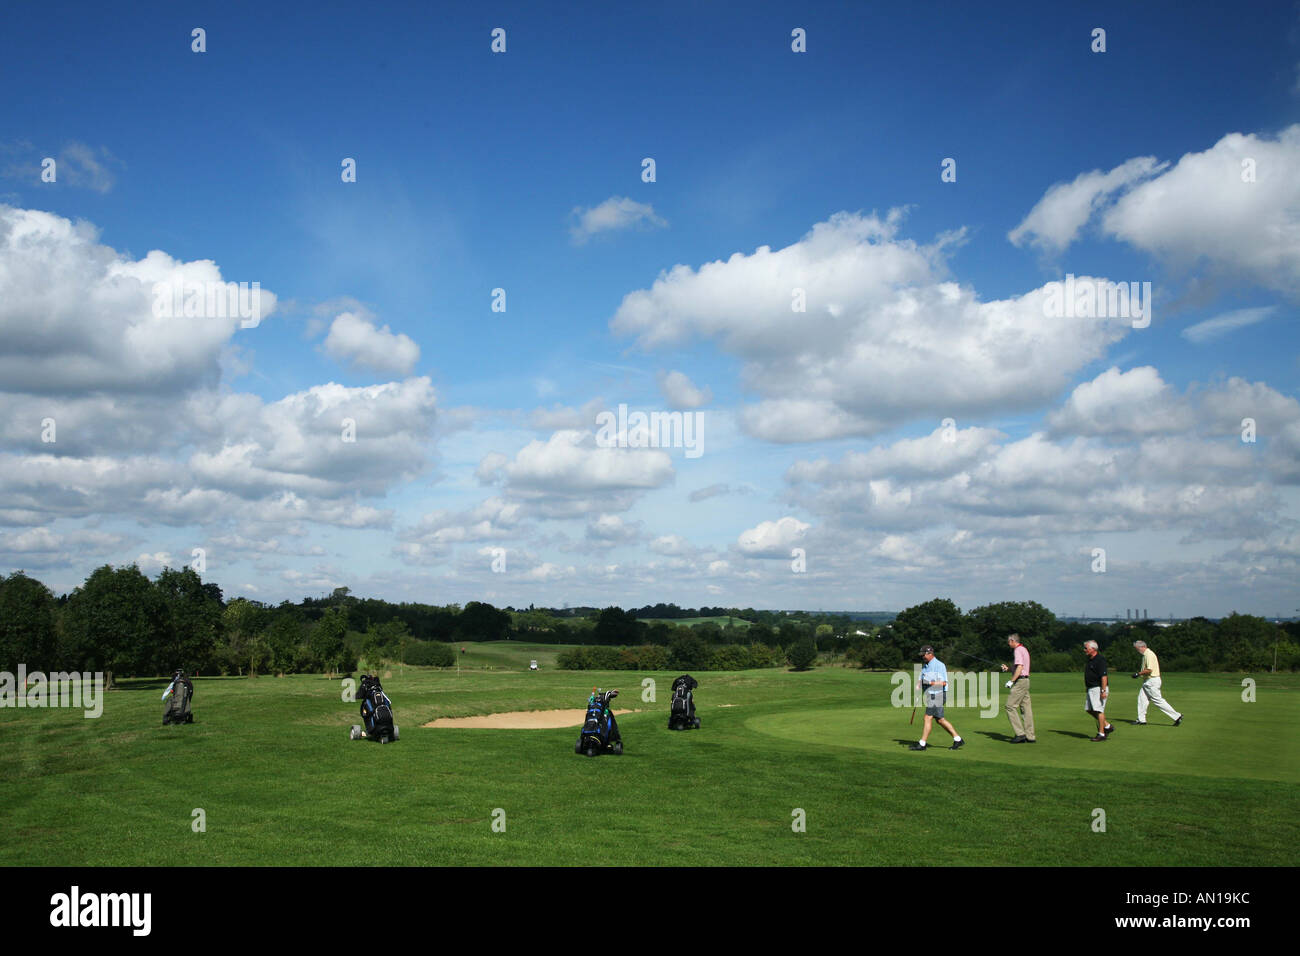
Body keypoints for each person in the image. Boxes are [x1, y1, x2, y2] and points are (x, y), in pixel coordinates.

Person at [910, 645, 964, 751]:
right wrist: (918, 684)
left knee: (927, 717)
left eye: (924, 655)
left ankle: (922, 744)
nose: (923, 657)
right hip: (930, 695)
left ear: (930, 653)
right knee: (940, 720)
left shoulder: (939, 665)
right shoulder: (925, 665)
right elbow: (921, 679)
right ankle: (958, 739)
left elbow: (943, 683)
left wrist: (930, 682)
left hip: (938, 695)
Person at [1131, 640, 1183, 726]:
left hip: (1152, 681)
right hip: (1148, 681)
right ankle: (1141, 719)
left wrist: (1138, 674)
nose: (1137, 651)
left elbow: (1149, 669)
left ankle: (1177, 716)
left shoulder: (1149, 654)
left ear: (1142, 647)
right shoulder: (1146, 655)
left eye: (1137, 649)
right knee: (1142, 699)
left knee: (1158, 700)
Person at [999, 633, 1035, 743]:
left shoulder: (1018, 650)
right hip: (1026, 680)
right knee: (1026, 708)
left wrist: (1011, 681)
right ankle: (1030, 736)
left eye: (1009, 642)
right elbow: (1018, 667)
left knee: (1010, 706)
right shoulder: (1024, 649)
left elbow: (1020, 667)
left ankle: (1020, 734)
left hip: (1020, 681)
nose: (1008, 644)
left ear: (1012, 641)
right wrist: (1009, 668)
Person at [1083, 640, 1114, 741]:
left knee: (1099, 710)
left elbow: (1104, 676)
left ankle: (1101, 734)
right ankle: (1107, 726)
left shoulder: (1100, 660)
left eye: (1086, 648)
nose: (1084, 650)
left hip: (1098, 688)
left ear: (1093, 649)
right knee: (1089, 709)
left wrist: (1103, 691)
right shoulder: (1090, 659)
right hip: (1091, 688)